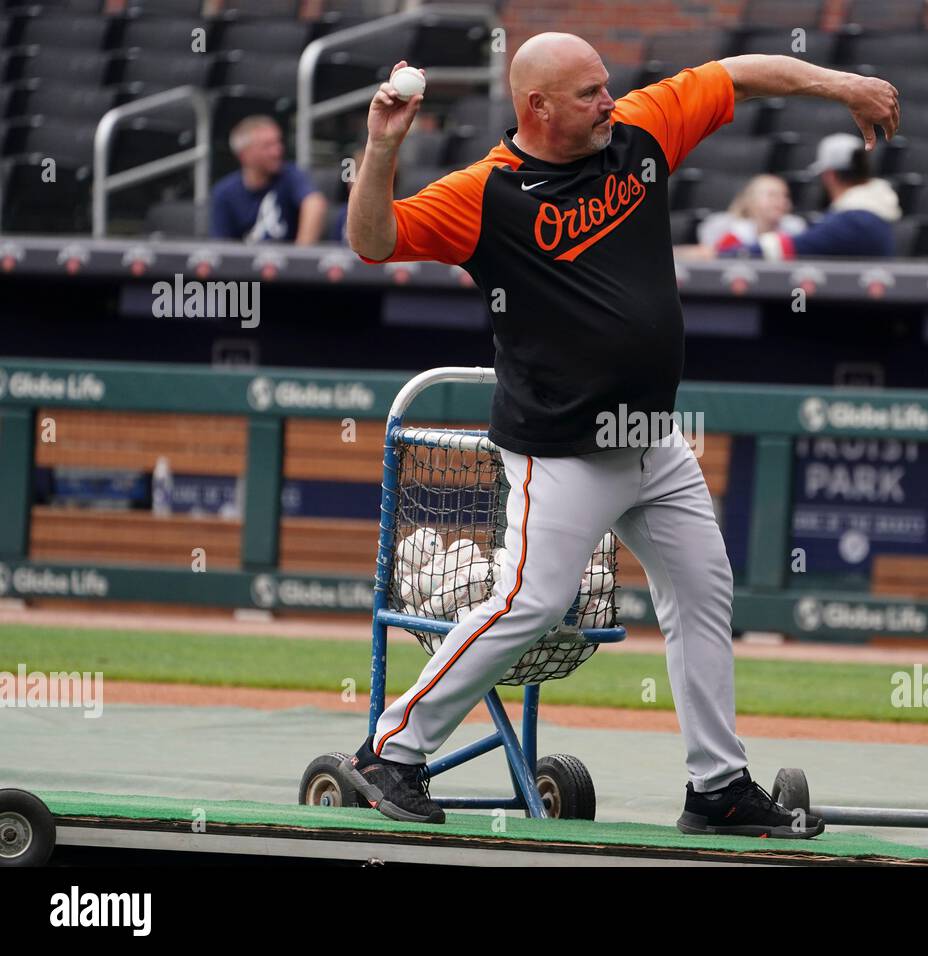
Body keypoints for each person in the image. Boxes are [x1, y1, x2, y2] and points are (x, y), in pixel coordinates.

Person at [342, 33, 899, 837]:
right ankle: (389, 753)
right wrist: (381, 148)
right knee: (530, 604)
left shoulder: (639, 131)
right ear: (535, 105)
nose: (608, 100)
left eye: (606, 86)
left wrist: (841, 81)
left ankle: (717, 787)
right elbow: (371, 240)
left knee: (704, 591)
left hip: (652, 438)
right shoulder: (487, 193)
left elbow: (736, 72)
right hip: (559, 448)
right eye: (587, 93)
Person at [711, 132, 899, 260]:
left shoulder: (855, 220)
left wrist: (721, 256)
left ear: (829, 176)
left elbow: (790, 248)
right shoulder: (868, 213)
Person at [210, 116, 326, 244]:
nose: (277, 151)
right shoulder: (224, 192)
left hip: (286, 260)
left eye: (278, 143)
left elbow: (314, 202)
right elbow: (221, 246)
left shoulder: (290, 175)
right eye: (267, 146)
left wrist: (301, 255)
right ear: (244, 155)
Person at [696, 173, 806, 253]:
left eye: (785, 196)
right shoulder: (724, 227)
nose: (781, 201)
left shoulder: (794, 229)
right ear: (750, 200)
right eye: (772, 195)